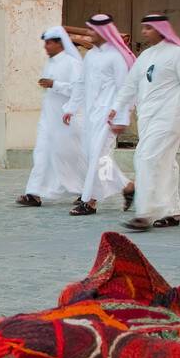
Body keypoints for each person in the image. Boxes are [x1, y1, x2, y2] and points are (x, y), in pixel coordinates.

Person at [108, 14, 180, 231]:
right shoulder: (146, 56)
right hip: (148, 118)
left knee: (146, 158)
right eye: (143, 28)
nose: (144, 32)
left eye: (148, 28)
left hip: (169, 117)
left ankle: (145, 214)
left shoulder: (178, 54)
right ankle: (171, 212)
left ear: (161, 30)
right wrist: (117, 107)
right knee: (166, 163)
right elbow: (130, 85)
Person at [63, 14, 136, 215]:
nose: (87, 33)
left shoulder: (116, 56)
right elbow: (80, 83)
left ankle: (90, 201)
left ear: (103, 32)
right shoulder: (92, 55)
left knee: (98, 156)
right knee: (94, 157)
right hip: (90, 114)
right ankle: (128, 187)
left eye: (92, 30)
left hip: (109, 115)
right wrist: (71, 107)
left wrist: (122, 117)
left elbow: (125, 88)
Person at [18, 26, 86, 207]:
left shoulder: (73, 64)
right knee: (41, 152)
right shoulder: (51, 62)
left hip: (66, 119)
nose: (46, 47)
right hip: (48, 118)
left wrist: (54, 84)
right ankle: (33, 193)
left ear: (59, 43)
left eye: (49, 43)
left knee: (72, 155)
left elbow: (78, 89)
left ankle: (86, 190)